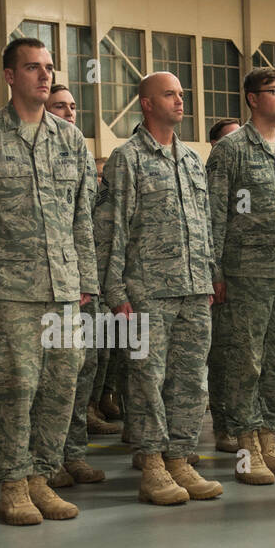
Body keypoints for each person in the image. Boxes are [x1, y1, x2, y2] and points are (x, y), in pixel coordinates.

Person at [0, 37, 98, 526]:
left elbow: (83, 218)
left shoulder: (71, 139)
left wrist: (85, 279)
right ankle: (13, 483)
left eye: (50, 68)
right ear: (10, 75)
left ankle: (42, 476)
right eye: (33, 67)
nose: (45, 76)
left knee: (61, 387)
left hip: (63, 289)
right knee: (15, 388)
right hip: (9, 291)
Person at [96, 72, 222, 505]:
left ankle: (181, 457)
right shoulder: (126, 158)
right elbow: (110, 231)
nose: (180, 101)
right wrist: (116, 294)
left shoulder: (189, 159)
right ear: (147, 104)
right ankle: (152, 464)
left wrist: (207, 278)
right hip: (146, 290)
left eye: (182, 94)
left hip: (193, 288)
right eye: (170, 95)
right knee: (147, 381)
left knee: (190, 380)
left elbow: (204, 225)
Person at [207, 66, 275, 486]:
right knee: (243, 362)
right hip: (245, 273)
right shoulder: (230, 150)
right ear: (253, 98)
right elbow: (213, 215)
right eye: (274, 91)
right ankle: (247, 448)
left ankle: (268, 439)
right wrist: (213, 270)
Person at [44, 83, 113, 485]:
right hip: (38, 284)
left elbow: (88, 221)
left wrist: (92, 279)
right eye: (60, 106)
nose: (70, 113)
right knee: (44, 378)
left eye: (72, 107)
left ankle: (72, 453)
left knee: (80, 371)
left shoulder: (79, 154)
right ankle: (44, 461)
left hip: (81, 281)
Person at [204, 117, 242, 452]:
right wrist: (215, 272)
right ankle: (225, 423)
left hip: (260, 274)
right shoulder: (217, 169)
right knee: (224, 355)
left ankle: (252, 429)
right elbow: (213, 222)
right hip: (227, 274)